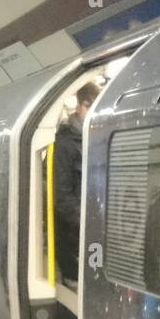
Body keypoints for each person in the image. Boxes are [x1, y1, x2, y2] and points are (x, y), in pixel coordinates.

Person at [51, 82, 99, 287]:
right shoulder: (64, 144)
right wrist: (87, 222)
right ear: (80, 106)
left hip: (94, 234)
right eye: (90, 108)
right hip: (73, 238)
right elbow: (61, 196)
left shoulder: (97, 138)